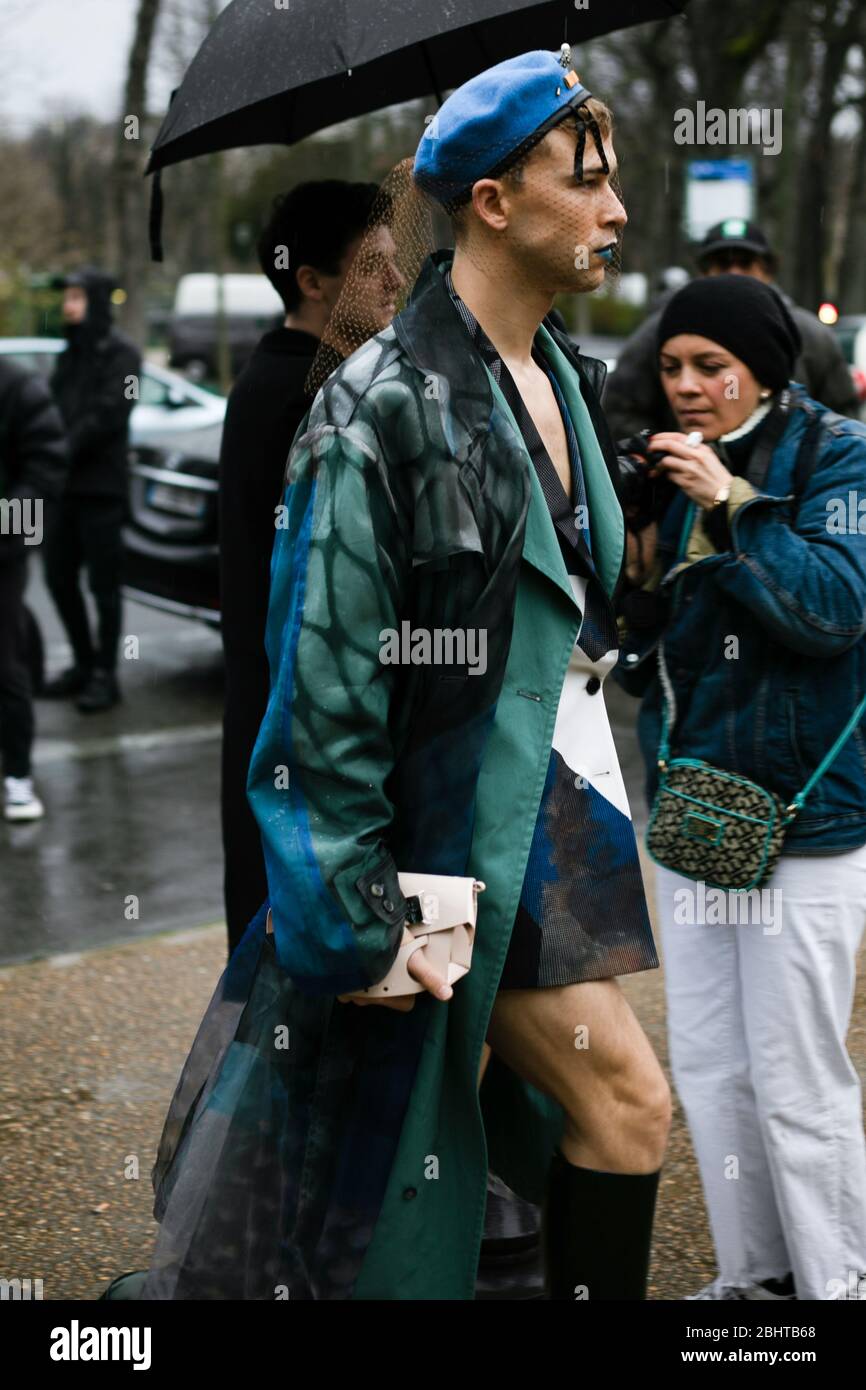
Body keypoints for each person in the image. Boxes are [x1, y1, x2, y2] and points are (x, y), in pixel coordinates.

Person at [102, 48, 669, 1303]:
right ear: (493, 202)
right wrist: (354, 921)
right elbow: (320, 690)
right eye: (584, 181)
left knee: (456, 1158)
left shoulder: (561, 375)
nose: (616, 210)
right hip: (447, 845)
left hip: (549, 818)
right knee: (614, 1105)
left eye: (613, 181)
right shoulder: (377, 405)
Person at [614, 273, 866, 1300]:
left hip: (807, 820)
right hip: (696, 811)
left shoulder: (838, 456)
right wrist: (635, 551)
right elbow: (650, 640)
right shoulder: (674, 469)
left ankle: (835, 1284)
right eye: (671, 367)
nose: (684, 386)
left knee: (796, 1080)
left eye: (708, 367)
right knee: (712, 1071)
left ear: (761, 366)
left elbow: (832, 612)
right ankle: (754, 1282)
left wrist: (732, 506)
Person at [219, 179, 404, 958]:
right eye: (374, 267)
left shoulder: (292, 376)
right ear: (312, 281)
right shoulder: (312, 395)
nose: (398, 282)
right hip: (297, 735)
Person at [603, 218, 858, 439]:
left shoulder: (809, 334)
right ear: (703, 272)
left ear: (767, 271)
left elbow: (842, 416)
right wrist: (664, 462)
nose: (734, 273)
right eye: (722, 264)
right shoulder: (665, 331)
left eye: (745, 263)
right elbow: (621, 410)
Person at [42, 268, 141, 712]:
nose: (69, 304)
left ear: (97, 302)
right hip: (63, 490)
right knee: (57, 578)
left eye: (78, 297)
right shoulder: (69, 355)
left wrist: (59, 448)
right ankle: (83, 664)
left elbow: (111, 413)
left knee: (104, 587)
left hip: (102, 490)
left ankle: (105, 674)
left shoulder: (124, 356)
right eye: (68, 296)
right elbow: (50, 409)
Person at [0, 359, 68, 820]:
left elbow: (45, 467)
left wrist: (7, 535)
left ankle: (18, 775)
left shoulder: (16, 384)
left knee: (5, 664)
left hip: (1, 556)